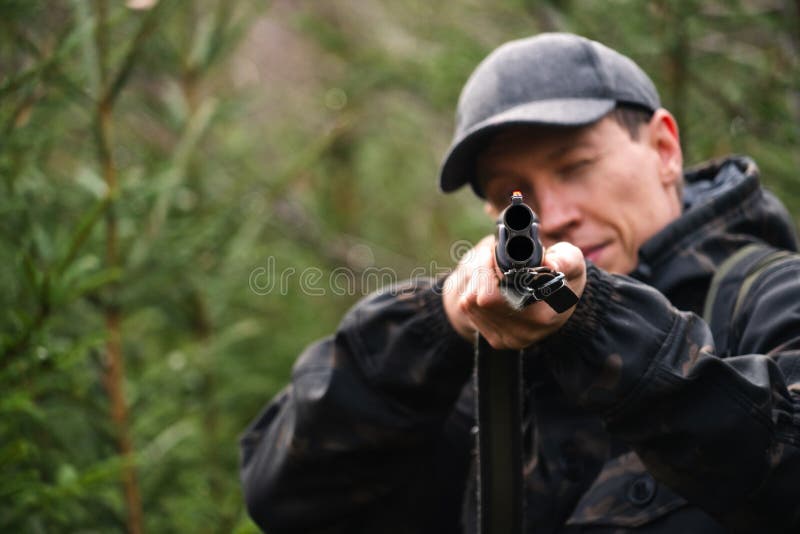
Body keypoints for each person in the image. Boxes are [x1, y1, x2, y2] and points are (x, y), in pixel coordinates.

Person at [239, 33, 800, 533]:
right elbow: (285, 497)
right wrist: (440, 323)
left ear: (663, 149)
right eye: (516, 194)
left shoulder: (774, 297)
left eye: (575, 166)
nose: (553, 212)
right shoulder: (492, 361)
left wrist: (600, 324)